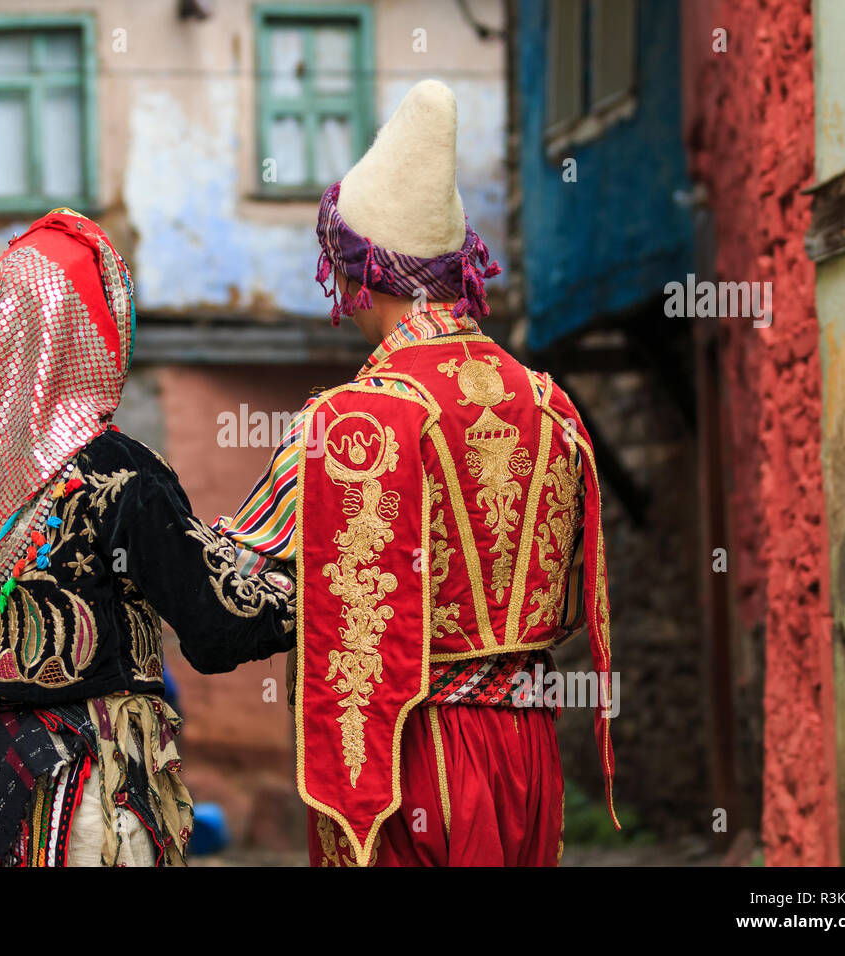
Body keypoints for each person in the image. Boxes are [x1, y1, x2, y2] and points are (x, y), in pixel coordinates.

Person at [217, 81, 617, 866]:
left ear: (360, 276)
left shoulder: (349, 423)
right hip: (527, 746)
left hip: (409, 755)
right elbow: (570, 598)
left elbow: (238, 576)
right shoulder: (552, 407)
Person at [0, 209, 294, 867]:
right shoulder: (121, 473)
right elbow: (216, 627)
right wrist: (299, 593)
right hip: (71, 801)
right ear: (99, 333)